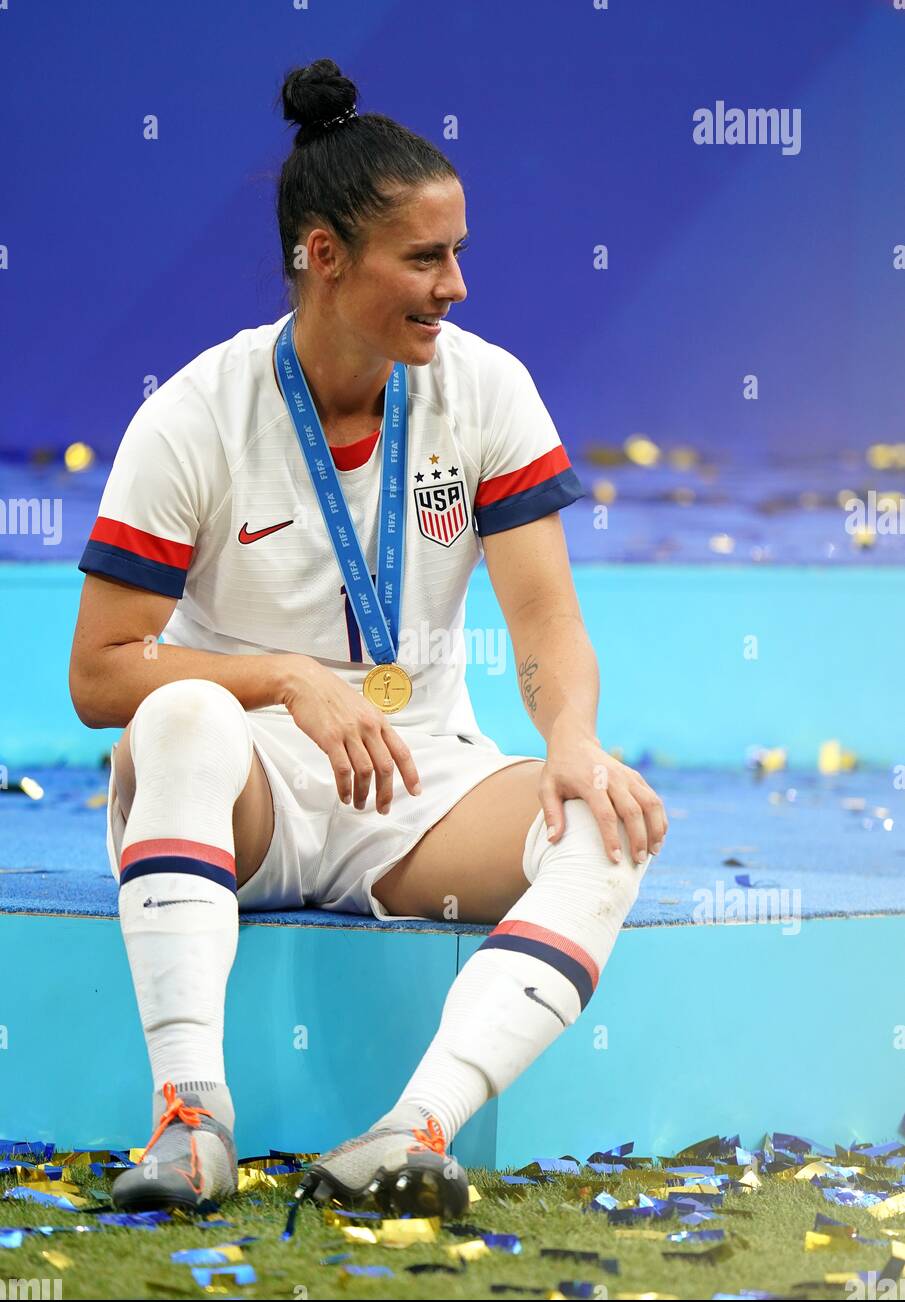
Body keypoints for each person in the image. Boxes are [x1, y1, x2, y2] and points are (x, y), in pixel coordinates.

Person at [69, 57, 668, 1219]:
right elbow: (102, 672)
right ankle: (191, 1120)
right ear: (323, 256)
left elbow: (543, 618)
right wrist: (288, 681)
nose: (455, 285)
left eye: (456, 253)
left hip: (419, 790)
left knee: (603, 813)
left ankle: (414, 1128)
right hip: (233, 787)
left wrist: (571, 737)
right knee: (179, 710)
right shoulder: (193, 413)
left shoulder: (485, 388)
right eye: (424, 258)